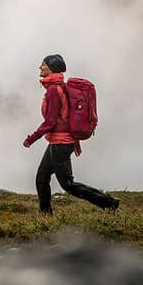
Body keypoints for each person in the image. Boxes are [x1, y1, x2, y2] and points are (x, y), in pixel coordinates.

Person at [23, 53, 119, 215]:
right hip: (58, 141)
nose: (40, 67)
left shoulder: (54, 89)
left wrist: (30, 139)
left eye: (43, 64)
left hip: (62, 142)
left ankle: (109, 203)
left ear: (51, 68)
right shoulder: (59, 86)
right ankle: (45, 216)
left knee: (67, 184)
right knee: (41, 178)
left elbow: (51, 121)